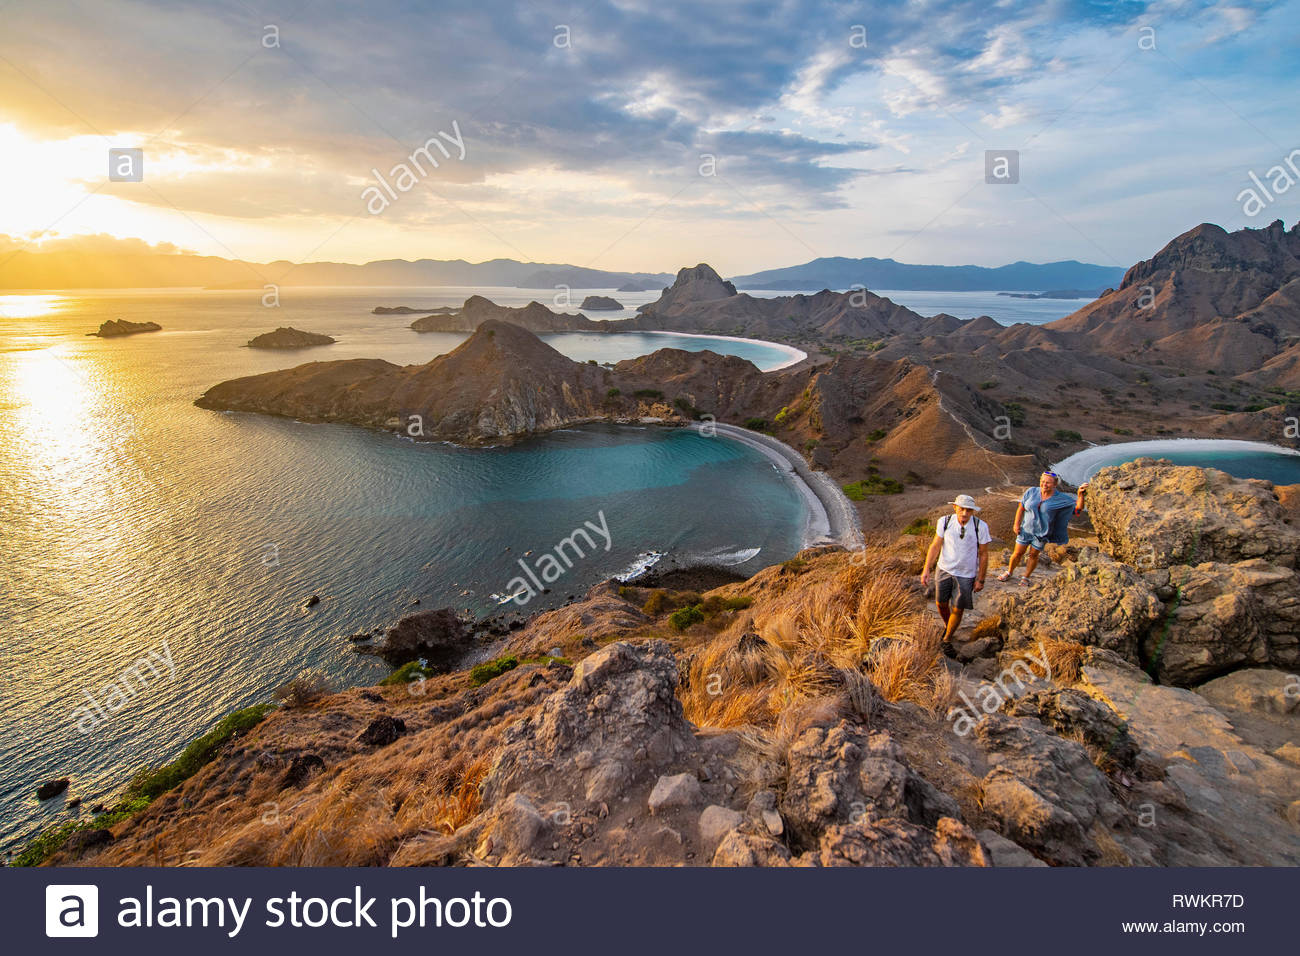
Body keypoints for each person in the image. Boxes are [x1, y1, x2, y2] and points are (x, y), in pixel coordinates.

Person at [920, 494, 991, 646]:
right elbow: (935, 545)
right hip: (944, 568)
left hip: (966, 574)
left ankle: (947, 639)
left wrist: (980, 579)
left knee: (958, 609)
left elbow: (984, 554)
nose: (965, 513)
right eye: (961, 509)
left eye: (969, 510)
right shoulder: (945, 522)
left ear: (973, 511)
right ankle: (949, 626)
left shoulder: (981, 526)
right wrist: (926, 569)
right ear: (955, 508)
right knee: (940, 604)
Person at [998, 471, 1083, 585]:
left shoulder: (1060, 498)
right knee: (1017, 553)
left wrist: (1080, 494)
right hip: (1025, 530)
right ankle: (1009, 572)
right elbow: (1021, 508)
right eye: (1042, 481)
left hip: (1041, 534)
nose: (1044, 484)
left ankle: (1025, 577)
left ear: (1055, 485)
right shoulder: (1032, 491)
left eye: (1048, 482)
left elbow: (1077, 510)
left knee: (1033, 555)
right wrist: (1016, 524)